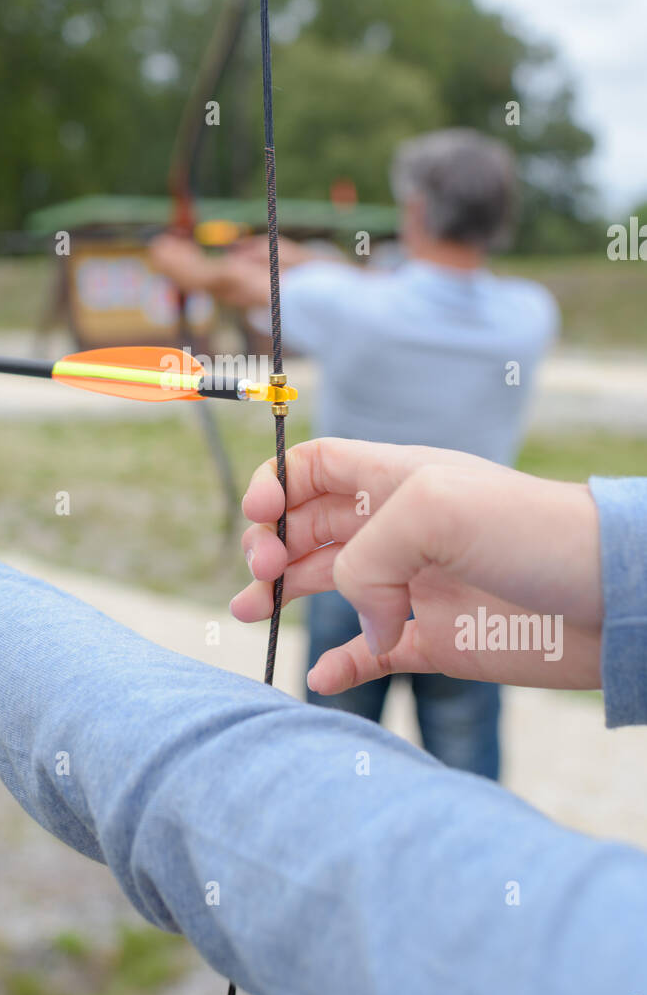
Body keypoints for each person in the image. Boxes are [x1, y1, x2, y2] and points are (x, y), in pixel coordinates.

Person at [0, 373, 645, 995]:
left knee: (338, 738)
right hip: (458, 579)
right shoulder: (521, 306)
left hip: (404, 583)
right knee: (449, 762)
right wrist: (606, 571)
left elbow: (251, 808)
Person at [150, 129, 560, 779]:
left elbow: (224, 281)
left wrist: (178, 261)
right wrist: (311, 262)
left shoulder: (350, 306)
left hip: (351, 565)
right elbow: (410, 290)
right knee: (468, 774)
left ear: (417, 212)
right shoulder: (530, 315)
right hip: (477, 574)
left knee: (333, 763)